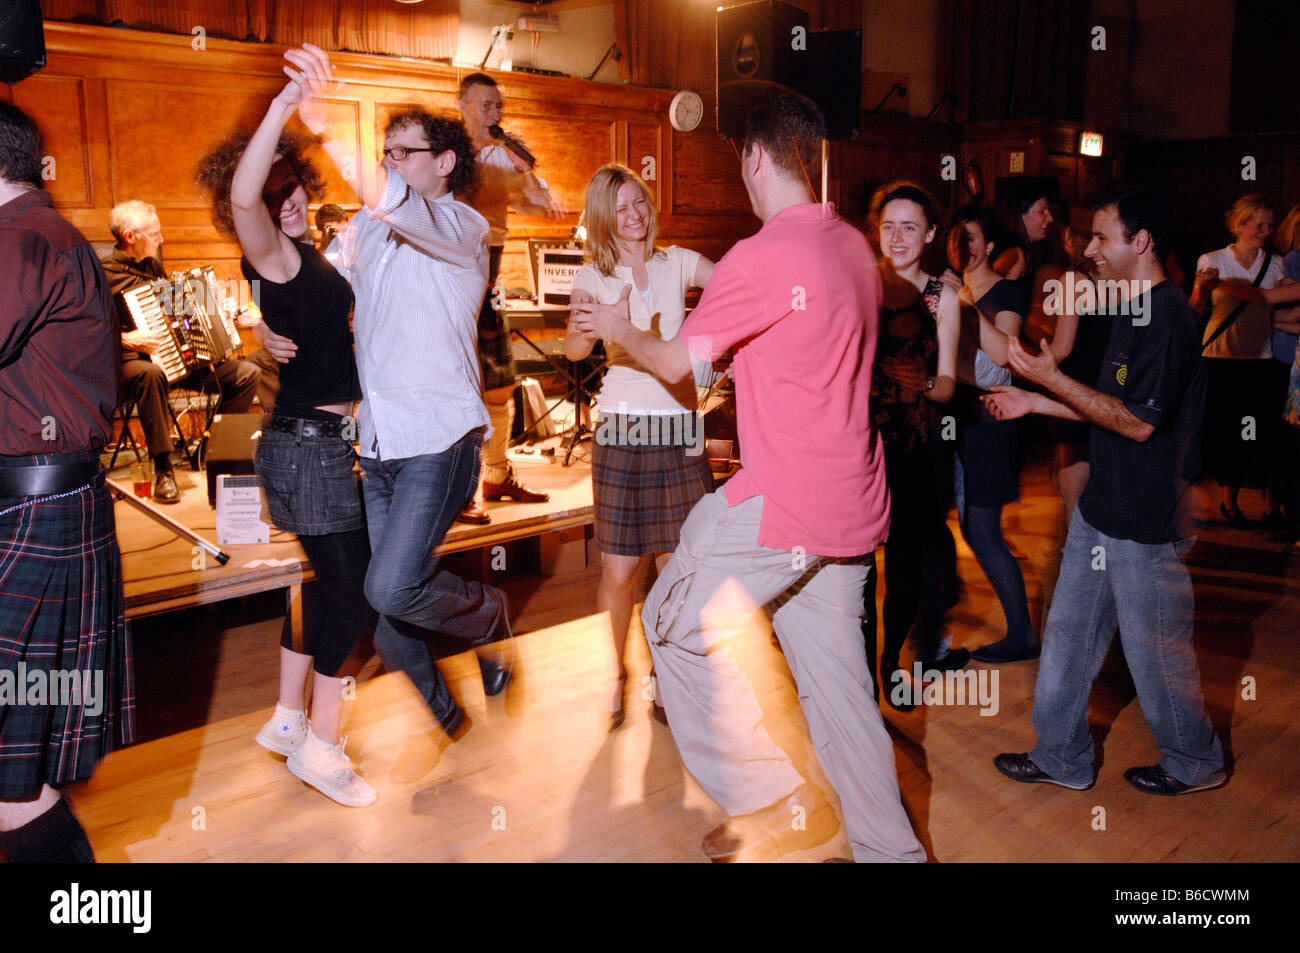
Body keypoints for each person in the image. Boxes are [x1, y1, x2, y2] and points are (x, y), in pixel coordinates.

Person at [571, 91, 925, 863]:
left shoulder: (760, 256)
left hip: (784, 503)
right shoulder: (855, 249)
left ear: (755, 157)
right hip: (854, 507)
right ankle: (890, 854)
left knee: (667, 620)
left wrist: (618, 326)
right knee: (842, 703)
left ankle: (773, 798)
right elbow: (811, 350)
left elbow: (671, 363)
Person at [267, 46, 514, 769]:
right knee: (387, 603)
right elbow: (309, 283)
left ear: (444, 163)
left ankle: (487, 612)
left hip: (442, 437)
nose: (394, 162)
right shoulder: (368, 230)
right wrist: (263, 323)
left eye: (406, 151)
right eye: (388, 152)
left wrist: (319, 116)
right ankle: (446, 713)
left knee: (389, 582)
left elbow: (392, 202)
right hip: (376, 445)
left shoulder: (464, 228)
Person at [984, 186, 1226, 796]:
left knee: (1155, 655)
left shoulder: (1169, 317)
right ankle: (1061, 755)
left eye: (1101, 236)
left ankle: (1196, 762)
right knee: (1068, 633)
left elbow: (1139, 422)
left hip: (1148, 519)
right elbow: (1109, 408)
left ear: (1140, 242)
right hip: (1103, 509)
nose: (1088, 247)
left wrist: (1051, 377)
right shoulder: (1130, 307)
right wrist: (1037, 397)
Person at [196, 75, 376, 806]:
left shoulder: (301, 254)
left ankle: (284, 716)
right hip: (309, 444)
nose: (289, 199)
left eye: (293, 184)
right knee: (356, 589)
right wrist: (279, 106)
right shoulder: (273, 252)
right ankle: (323, 744)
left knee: (325, 581)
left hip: (313, 439)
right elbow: (243, 205)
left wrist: (259, 326)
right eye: (275, 196)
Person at [0, 101, 133, 862]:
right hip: (47, 510)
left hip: (36, 512)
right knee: (18, 765)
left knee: (16, 785)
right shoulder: (40, 233)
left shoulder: (22, 238)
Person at [564, 163, 715, 730]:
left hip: (678, 429)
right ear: (605, 218)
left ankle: (664, 675)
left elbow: (733, 280)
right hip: (624, 430)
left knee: (676, 569)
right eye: (622, 208)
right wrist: (603, 322)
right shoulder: (592, 277)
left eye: (640, 203)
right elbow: (576, 349)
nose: (635, 215)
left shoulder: (676, 262)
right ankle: (618, 672)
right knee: (622, 570)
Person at [861, 181, 968, 711]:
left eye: (910, 227)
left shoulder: (940, 295)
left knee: (903, 568)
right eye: (888, 226)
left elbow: (948, 383)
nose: (897, 237)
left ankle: (890, 665)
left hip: (914, 445)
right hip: (855, 444)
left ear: (929, 234)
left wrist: (923, 382)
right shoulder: (858, 285)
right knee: (856, 568)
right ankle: (860, 677)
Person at [100, 200, 270, 502]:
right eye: (153, 235)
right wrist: (127, 339)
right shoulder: (104, 275)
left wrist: (218, 312)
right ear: (129, 236)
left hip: (173, 360)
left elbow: (175, 313)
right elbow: (87, 330)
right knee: (150, 374)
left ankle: (212, 450)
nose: (161, 240)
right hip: (129, 366)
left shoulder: (152, 267)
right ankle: (163, 469)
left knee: (246, 373)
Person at [455, 72, 565, 523]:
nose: (495, 114)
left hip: (491, 278)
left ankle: (497, 475)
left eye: (498, 106)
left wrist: (533, 178)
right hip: (455, 279)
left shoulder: (503, 154)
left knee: (499, 384)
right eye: (486, 106)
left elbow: (533, 204)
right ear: (462, 106)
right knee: (460, 390)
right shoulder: (449, 155)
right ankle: (458, 491)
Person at [943, 205, 1037, 663]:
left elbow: (1007, 357)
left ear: (991, 245)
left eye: (974, 237)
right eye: (958, 236)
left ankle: (1021, 633)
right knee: (959, 527)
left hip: (990, 423)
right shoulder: (941, 286)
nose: (965, 245)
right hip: (951, 421)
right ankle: (944, 611)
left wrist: (960, 305)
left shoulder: (1007, 292)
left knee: (982, 529)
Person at [1190, 194, 1286, 530]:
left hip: (1261, 358)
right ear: (1240, 225)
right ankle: (1229, 500)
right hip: (1220, 358)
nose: (1265, 230)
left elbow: (1278, 306)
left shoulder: (1276, 264)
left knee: (1261, 434)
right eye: (1258, 224)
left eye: (1269, 225)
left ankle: (1270, 502)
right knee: (1226, 433)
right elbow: (1195, 310)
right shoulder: (1213, 259)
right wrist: (1203, 287)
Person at [1046, 225, 1112, 527]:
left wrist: (1031, 362)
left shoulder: (1073, 281)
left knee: (1072, 482)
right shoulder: (1123, 281)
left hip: (1077, 384)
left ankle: (1080, 557)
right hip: (1114, 385)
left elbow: (1062, 346)